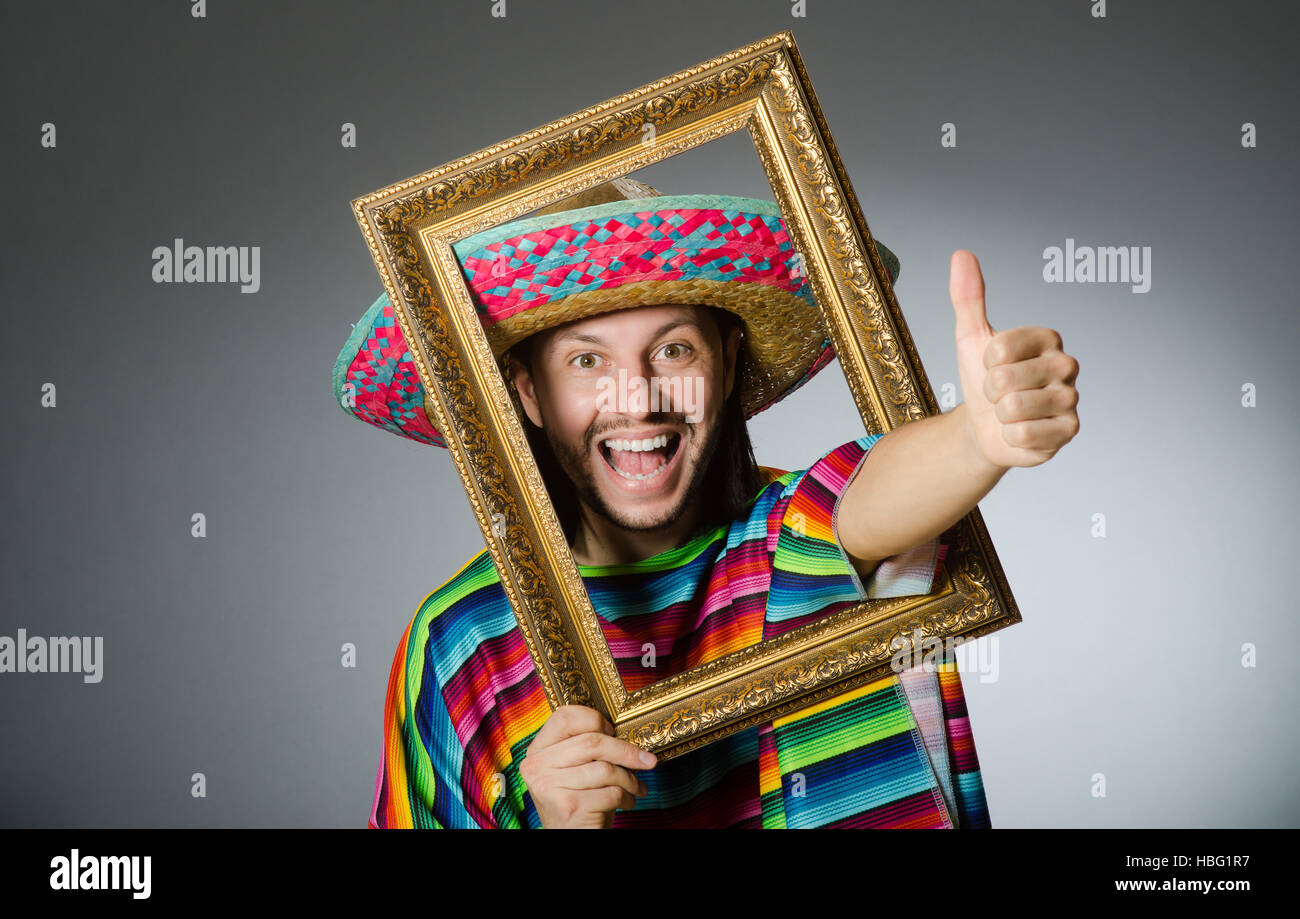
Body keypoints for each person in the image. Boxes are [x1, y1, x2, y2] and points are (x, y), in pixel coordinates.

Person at [334, 177, 1080, 828]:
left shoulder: (784, 534)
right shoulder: (462, 644)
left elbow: (862, 501)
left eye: (673, 351)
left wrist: (978, 438)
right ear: (528, 393)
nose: (639, 397)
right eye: (587, 360)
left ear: (726, 367)